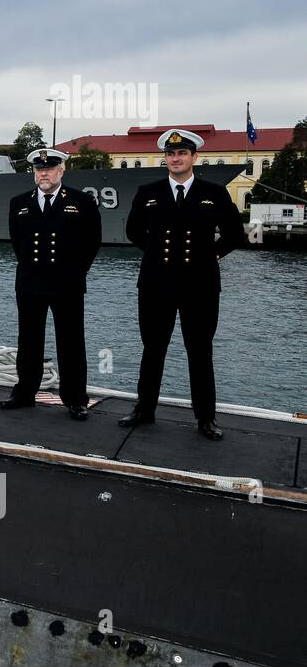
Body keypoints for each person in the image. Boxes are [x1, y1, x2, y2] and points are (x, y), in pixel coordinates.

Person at [118, 129, 244, 440]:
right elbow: (134, 231)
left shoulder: (213, 193)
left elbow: (233, 234)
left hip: (199, 285)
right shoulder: (147, 192)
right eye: (171, 154)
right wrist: (159, 255)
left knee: (200, 351)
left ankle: (206, 419)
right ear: (166, 159)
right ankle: (144, 410)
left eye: (182, 153)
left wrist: (210, 255)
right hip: (156, 283)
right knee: (153, 349)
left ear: (194, 158)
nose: (176, 158)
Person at [0, 148, 102, 420]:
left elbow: (92, 242)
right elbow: (17, 243)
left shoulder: (81, 202)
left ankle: (76, 398)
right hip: (30, 282)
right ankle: (24, 392)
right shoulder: (18, 203)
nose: (43, 173)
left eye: (49, 168)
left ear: (61, 170)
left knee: (71, 342)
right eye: (39, 169)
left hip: (66, 283)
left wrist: (76, 273)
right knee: (29, 340)